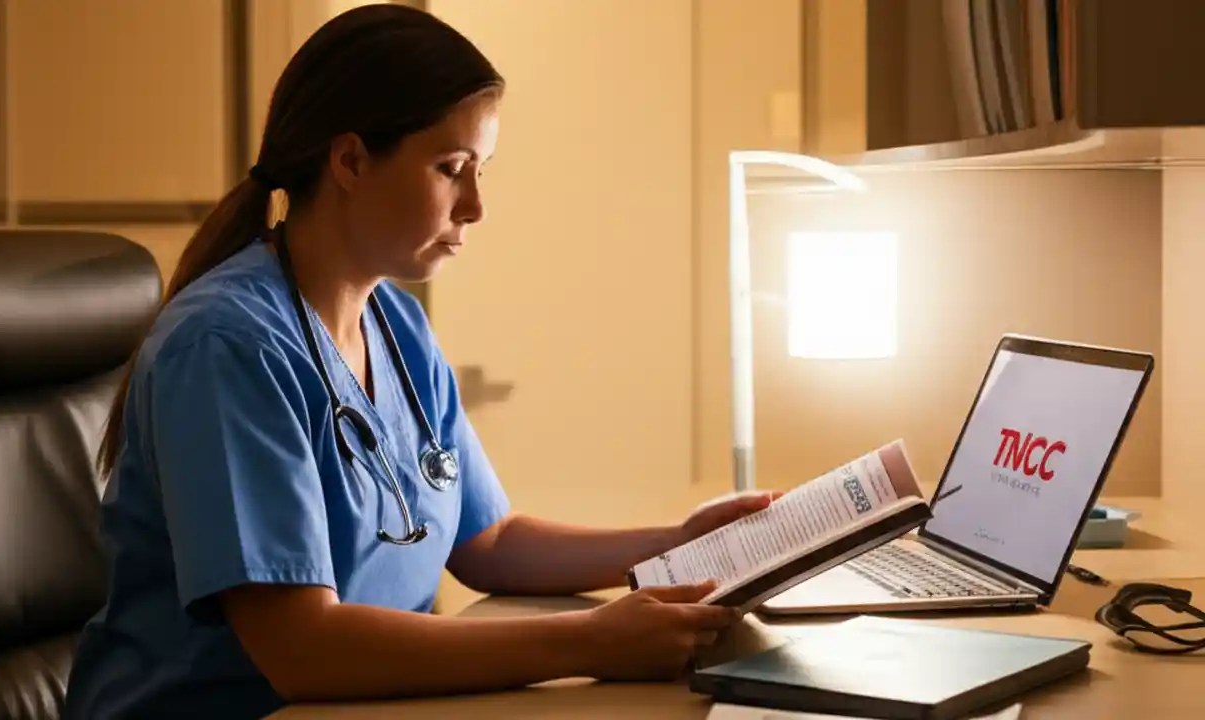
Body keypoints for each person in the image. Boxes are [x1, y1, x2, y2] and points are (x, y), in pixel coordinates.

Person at [63, 5, 778, 718]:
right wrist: (589, 643)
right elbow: (301, 647)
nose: (475, 207)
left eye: (480, 170)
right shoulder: (227, 346)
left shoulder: (397, 324)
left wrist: (679, 544)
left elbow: (488, 542)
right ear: (349, 161)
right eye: (451, 169)